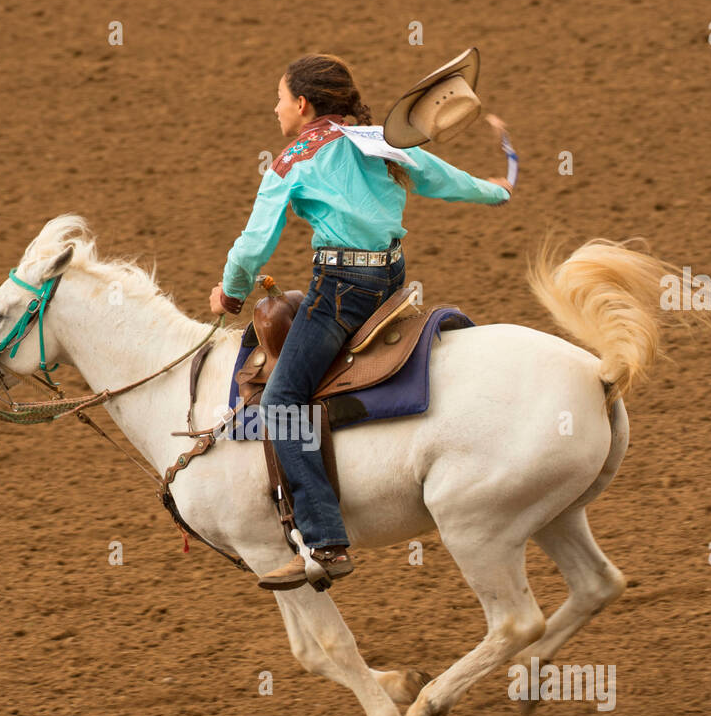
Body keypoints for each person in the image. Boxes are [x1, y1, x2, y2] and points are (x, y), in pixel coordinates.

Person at [208, 52, 513, 591]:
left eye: (279, 98)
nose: (274, 108)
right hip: (391, 284)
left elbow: (255, 247)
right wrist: (495, 189)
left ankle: (325, 538)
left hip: (342, 292)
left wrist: (230, 295)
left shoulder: (293, 159)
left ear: (302, 106)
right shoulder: (379, 140)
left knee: (281, 400)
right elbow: (440, 178)